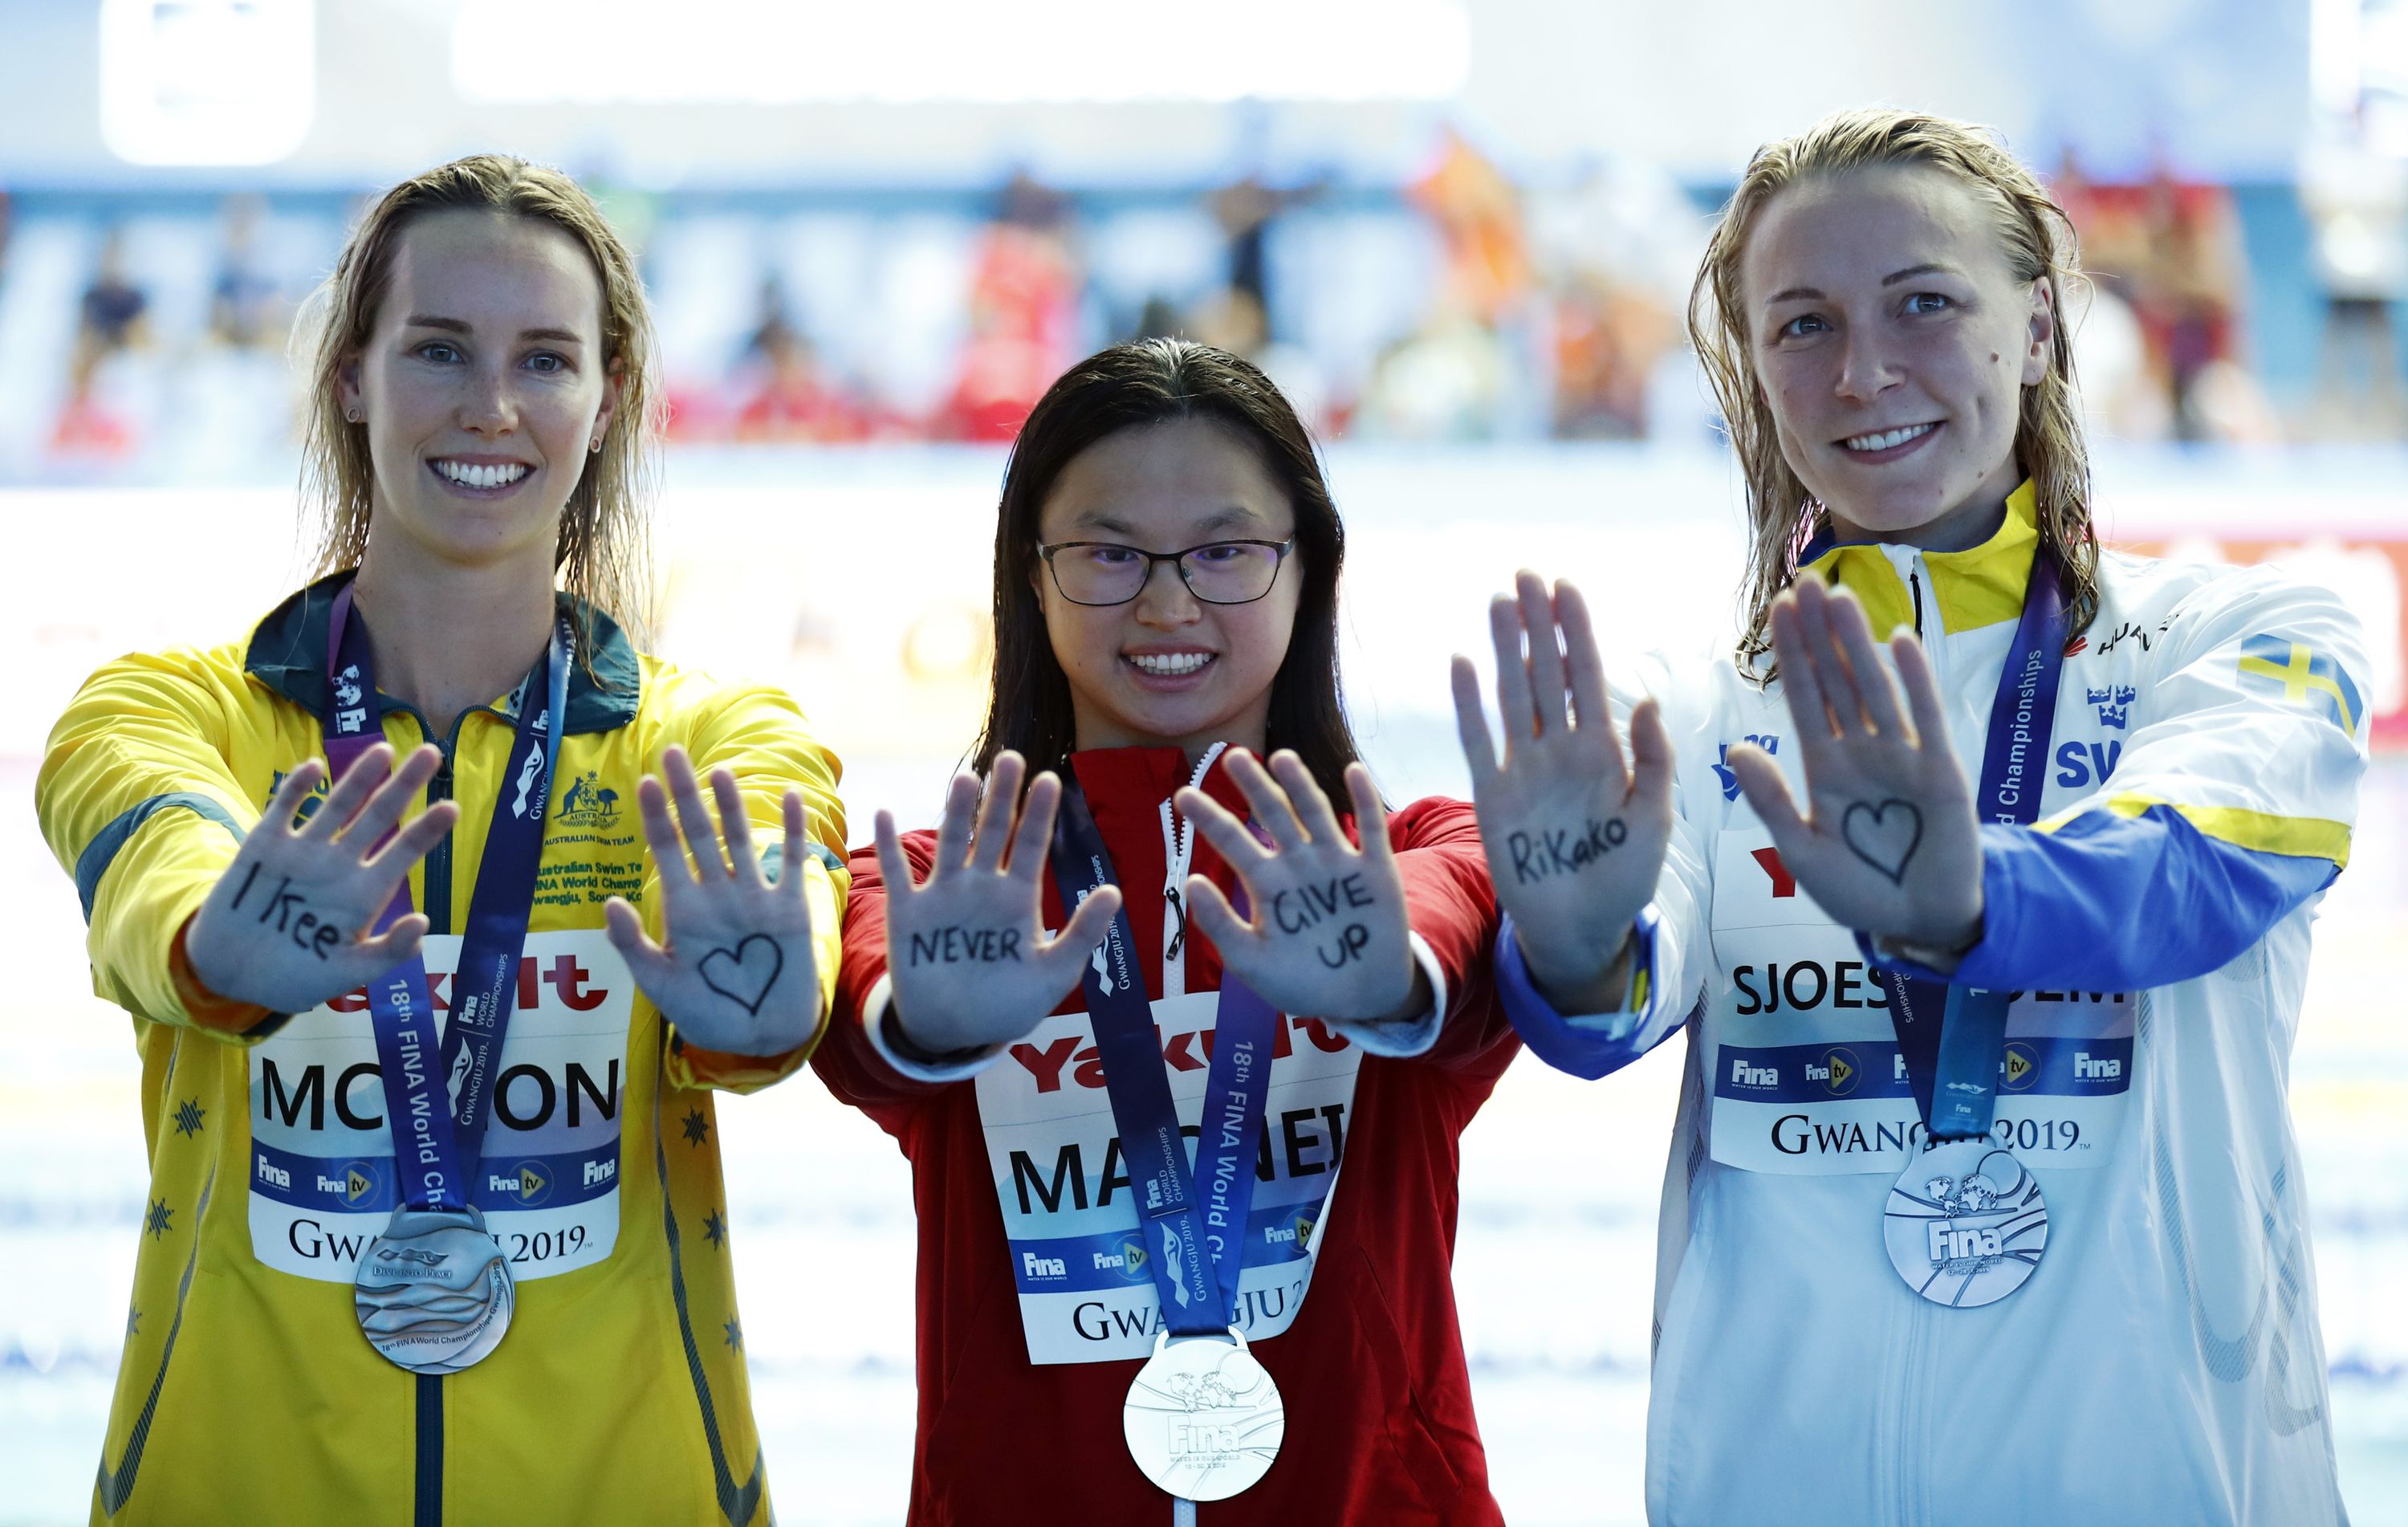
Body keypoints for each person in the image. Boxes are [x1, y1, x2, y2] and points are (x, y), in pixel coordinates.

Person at [1457, 109, 2369, 1523]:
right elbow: (1616, 994)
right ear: (1754, 373)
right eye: (1802, 324)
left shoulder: (2235, 631)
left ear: (2043, 328)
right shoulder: (1693, 712)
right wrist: (1571, 946)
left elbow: (2208, 866)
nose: (1865, 370)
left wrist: (1972, 901)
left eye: (1925, 303)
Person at [36, 154, 847, 1525]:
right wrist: (210, 938)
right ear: (352, 375)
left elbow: (788, 851)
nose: (490, 406)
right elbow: (142, 828)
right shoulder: (177, 711)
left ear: (611, 398)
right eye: (438, 350)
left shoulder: (704, 740)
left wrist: (774, 1004)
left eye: (544, 358)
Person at [814, 338, 1517, 1524]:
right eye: (1109, 552)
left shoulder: (1411, 863)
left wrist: (1381, 983)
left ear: (1310, 572)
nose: (1168, 601)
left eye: (1226, 550)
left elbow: (1446, 953)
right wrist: (925, 1026)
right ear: (1029, 577)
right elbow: (868, 1013)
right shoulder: (942, 890)